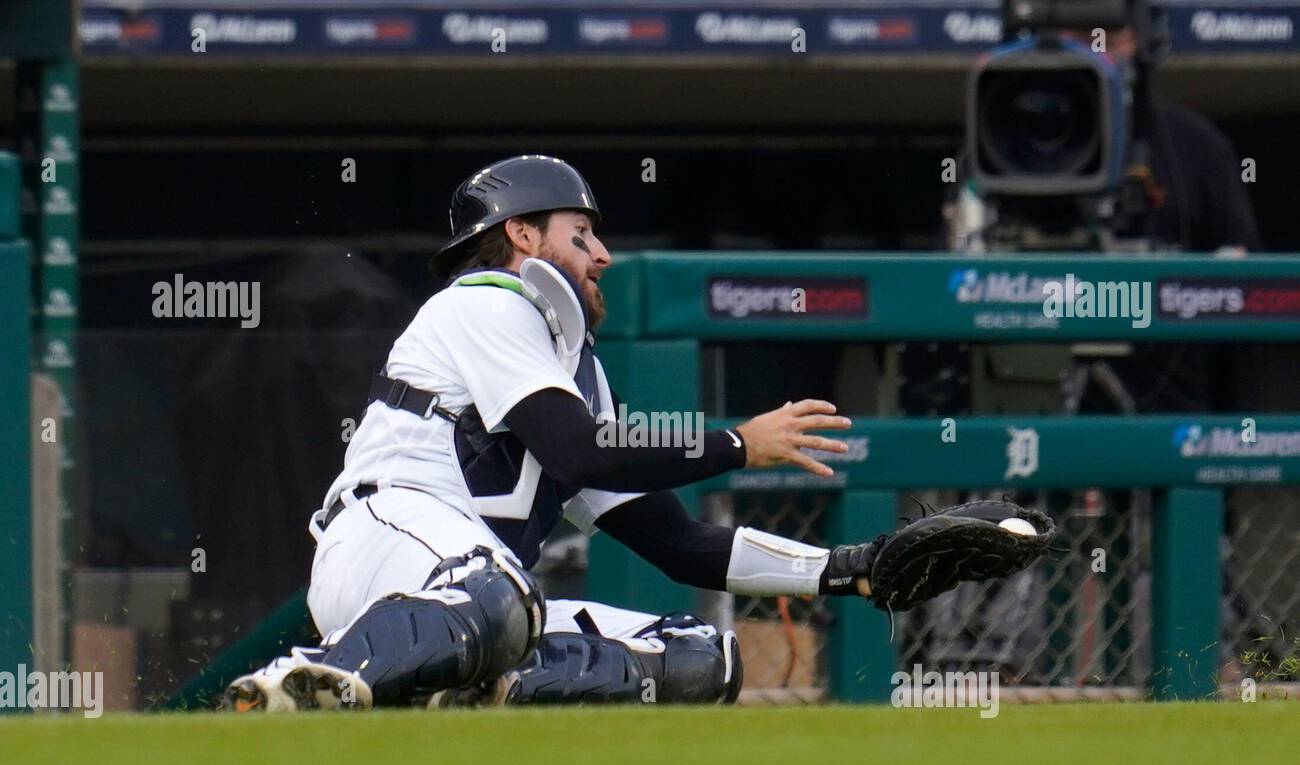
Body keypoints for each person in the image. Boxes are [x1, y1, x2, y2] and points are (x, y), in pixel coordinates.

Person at [222, 154, 1046, 711]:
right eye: (582, 234)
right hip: (383, 540)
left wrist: (847, 571)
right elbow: (575, 452)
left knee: (698, 659)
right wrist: (736, 444)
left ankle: (466, 690)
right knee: (502, 595)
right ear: (522, 235)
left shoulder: (575, 365)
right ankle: (309, 686)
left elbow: (673, 542)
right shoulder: (483, 300)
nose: (604, 254)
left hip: (467, 590)